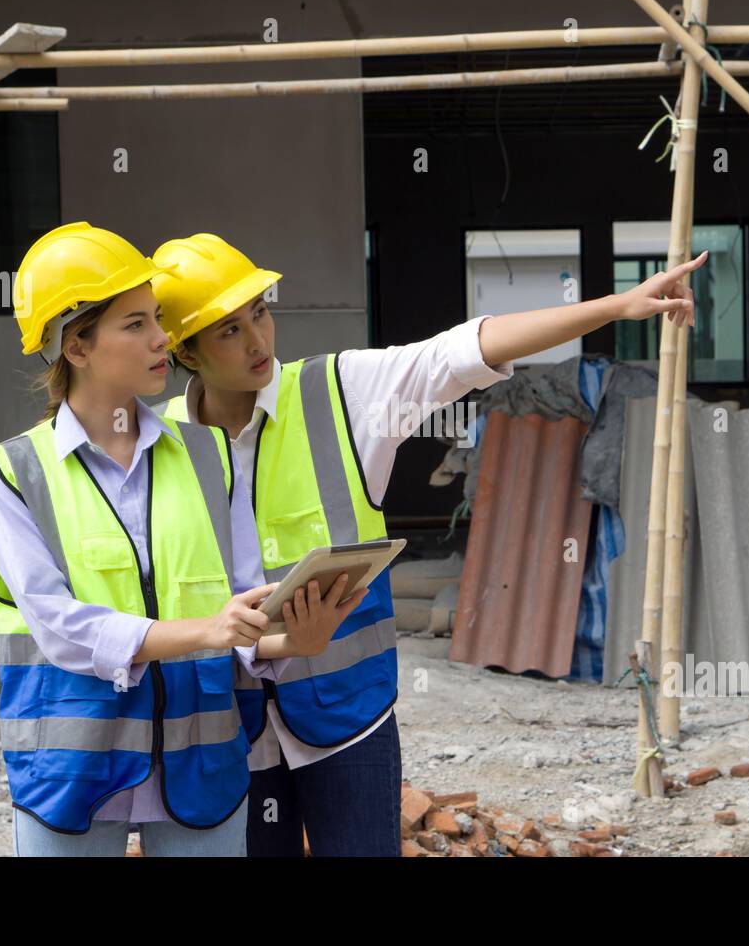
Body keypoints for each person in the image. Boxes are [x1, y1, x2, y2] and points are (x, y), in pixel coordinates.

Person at [150, 232, 706, 856]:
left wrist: (613, 306)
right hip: (230, 729)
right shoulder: (156, 447)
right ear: (186, 354)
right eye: (227, 330)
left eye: (259, 313)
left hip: (349, 725)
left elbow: (461, 351)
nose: (257, 341)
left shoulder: (341, 393)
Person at [0, 222, 366, 856]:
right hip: (71, 770)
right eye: (135, 325)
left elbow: (241, 607)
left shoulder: (209, 456)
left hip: (199, 758)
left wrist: (294, 642)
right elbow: (59, 626)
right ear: (77, 348)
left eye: (158, 319)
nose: (163, 338)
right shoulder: (12, 474)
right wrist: (209, 630)